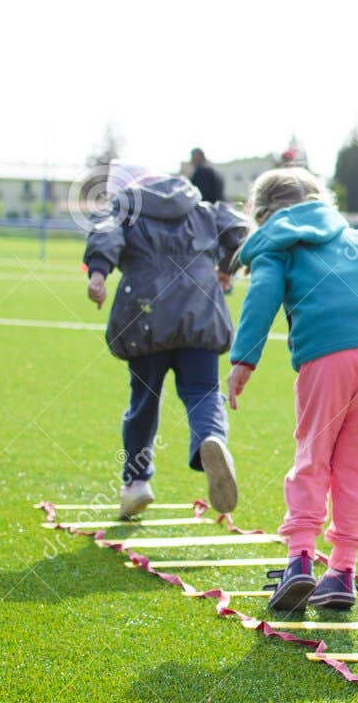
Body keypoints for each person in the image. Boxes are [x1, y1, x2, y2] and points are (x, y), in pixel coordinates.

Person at [227, 167, 358, 612]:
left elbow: (263, 295)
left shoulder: (279, 244)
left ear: (264, 213)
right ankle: (342, 571)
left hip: (326, 355)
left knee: (313, 456)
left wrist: (244, 358)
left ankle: (299, 561)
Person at [84, 160, 249, 519]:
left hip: (146, 317)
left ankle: (136, 482)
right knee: (203, 391)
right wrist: (226, 268)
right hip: (201, 314)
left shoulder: (125, 209)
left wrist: (98, 273)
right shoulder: (200, 207)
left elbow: (105, 233)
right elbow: (239, 230)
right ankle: (212, 439)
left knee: (144, 399)